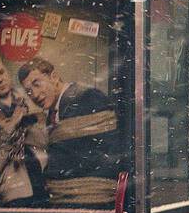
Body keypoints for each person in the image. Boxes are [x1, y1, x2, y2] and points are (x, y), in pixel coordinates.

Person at [17, 57, 121, 205]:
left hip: (92, 200)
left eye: (37, 84)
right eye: (29, 91)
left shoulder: (87, 98)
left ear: (53, 77)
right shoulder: (53, 114)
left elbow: (97, 155)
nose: (34, 94)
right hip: (69, 201)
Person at [0, 55, 48, 206]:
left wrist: (31, 120)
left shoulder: (30, 97)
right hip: (16, 193)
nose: (0, 80)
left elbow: (46, 140)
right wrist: (12, 125)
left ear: (7, 72)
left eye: (1, 72)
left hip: (45, 183)